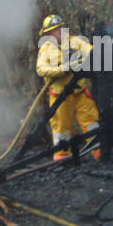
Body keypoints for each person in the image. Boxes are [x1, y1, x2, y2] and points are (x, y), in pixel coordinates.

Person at [35, 14, 101, 161]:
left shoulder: (75, 41)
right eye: (55, 29)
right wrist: (61, 70)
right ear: (48, 33)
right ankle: (62, 156)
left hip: (79, 92)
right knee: (61, 127)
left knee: (91, 121)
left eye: (61, 27)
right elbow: (41, 69)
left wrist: (97, 52)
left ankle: (98, 151)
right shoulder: (46, 49)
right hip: (60, 96)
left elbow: (91, 51)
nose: (60, 31)